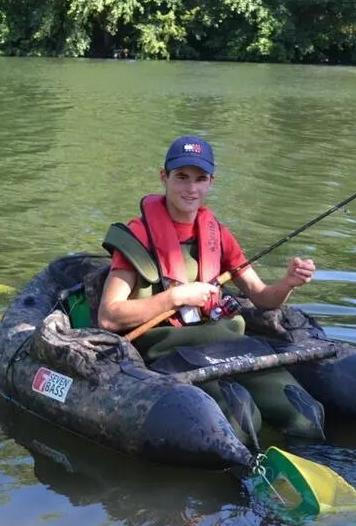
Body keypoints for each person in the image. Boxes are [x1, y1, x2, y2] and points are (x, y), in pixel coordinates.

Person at [97, 135, 325, 441]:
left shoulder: (218, 235)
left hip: (226, 344)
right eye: (181, 178)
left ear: (211, 182)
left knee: (303, 412)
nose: (191, 189)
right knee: (241, 418)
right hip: (170, 351)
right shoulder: (135, 239)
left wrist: (288, 284)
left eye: (200, 179)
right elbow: (109, 316)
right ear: (164, 177)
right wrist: (175, 296)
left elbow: (261, 297)